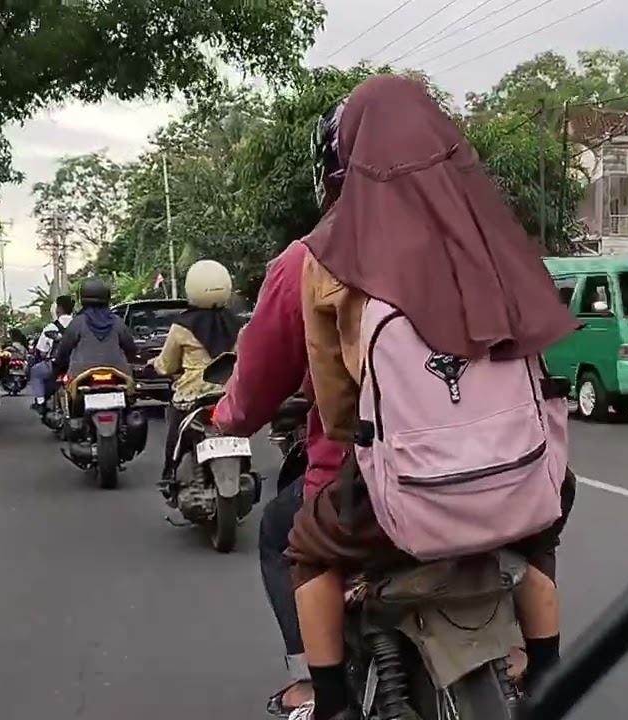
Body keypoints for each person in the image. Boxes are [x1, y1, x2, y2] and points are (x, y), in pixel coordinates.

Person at [282, 75, 580, 720]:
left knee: (307, 551)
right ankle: (553, 673)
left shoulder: (330, 259)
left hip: (402, 499)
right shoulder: (496, 241)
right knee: (538, 534)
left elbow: (337, 409)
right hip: (517, 475)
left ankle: (330, 700)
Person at [212, 189, 346, 717]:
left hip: (369, 469)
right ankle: (529, 657)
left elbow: (255, 386)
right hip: (504, 459)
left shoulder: (308, 261)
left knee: (281, 533)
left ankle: (314, 685)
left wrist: (228, 419)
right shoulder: (473, 244)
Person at [152, 259, 245, 486]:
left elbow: (167, 365)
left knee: (175, 427)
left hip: (194, 395)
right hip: (230, 392)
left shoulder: (181, 326)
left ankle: (169, 473)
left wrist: (158, 366)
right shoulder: (238, 324)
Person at [50, 278, 138, 391]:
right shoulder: (118, 322)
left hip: (81, 375)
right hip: (119, 373)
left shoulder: (77, 323)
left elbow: (64, 350)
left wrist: (58, 369)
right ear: (107, 299)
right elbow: (130, 349)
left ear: (82, 300)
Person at [28, 295, 75, 413]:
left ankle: (40, 402)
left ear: (58, 309)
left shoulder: (50, 327)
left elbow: (42, 351)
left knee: (35, 371)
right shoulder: (78, 325)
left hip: (56, 366)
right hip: (77, 365)